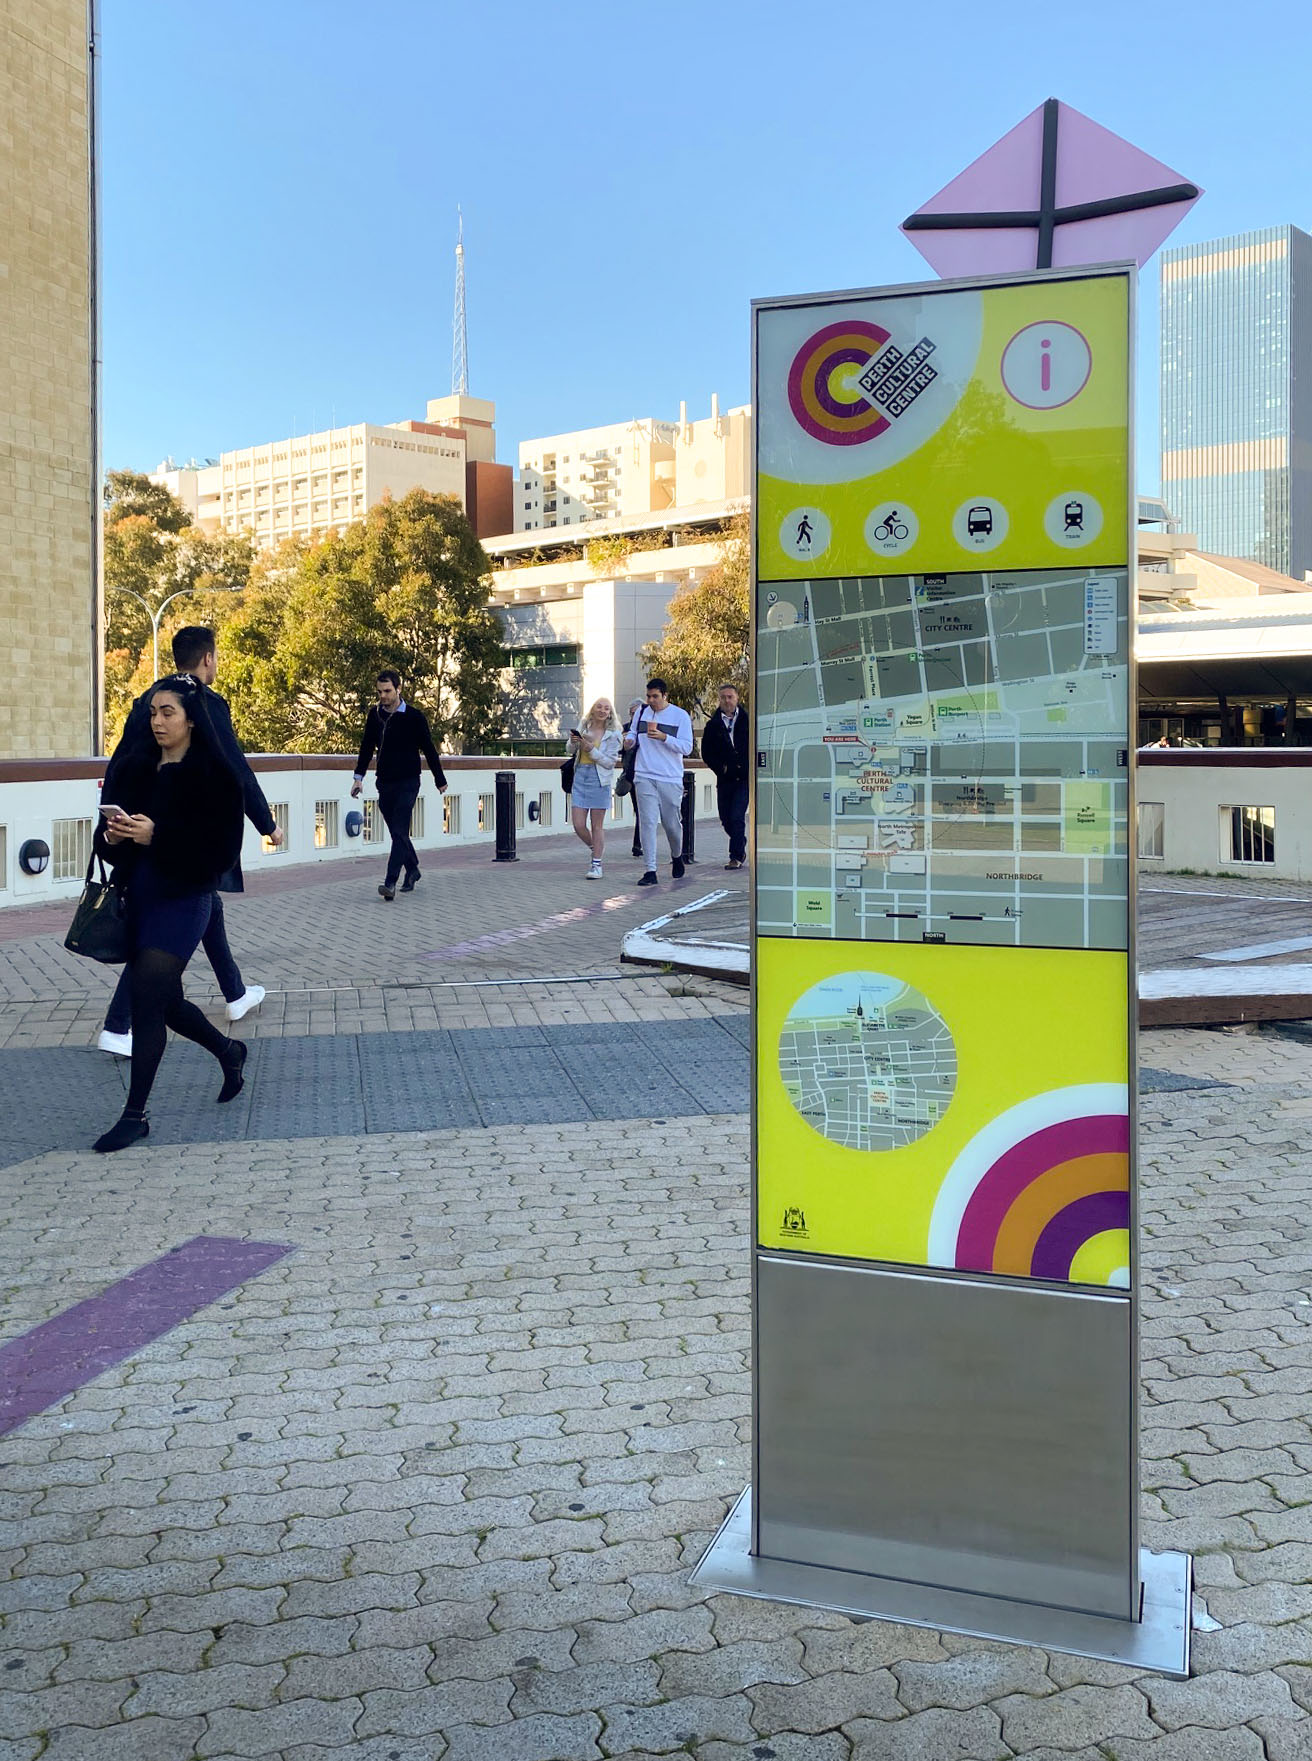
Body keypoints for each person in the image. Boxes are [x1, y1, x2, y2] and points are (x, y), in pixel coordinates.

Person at [97, 626, 281, 1057]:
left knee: (205, 907)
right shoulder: (199, 705)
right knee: (160, 937)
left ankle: (235, 994)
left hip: (139, 826)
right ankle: (118, 1024)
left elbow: (121, 760)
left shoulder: (149, 700)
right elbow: (234, 767)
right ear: (208, 660)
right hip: (177, 835)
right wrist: (267, 823)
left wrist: (112, 820)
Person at [92, 676, 249, 1154]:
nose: (157, 721)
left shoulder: (215, 776)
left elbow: (218, 855)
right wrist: (114, 838)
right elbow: (109, 847)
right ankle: (229, 1051)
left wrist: (157, 835)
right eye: (153, 713)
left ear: (191, 720)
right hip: (140, 897)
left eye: (168, 713)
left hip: (187, 900)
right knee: (166, 1003)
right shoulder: (138, 768)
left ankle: (135, 1115)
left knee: (146, 999)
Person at [351, 669, 447, 900]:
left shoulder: (414, 717)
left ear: (398, 689)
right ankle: (412, 868)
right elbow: (366, 747)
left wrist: (439, 779)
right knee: (398, 833)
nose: (383, 696)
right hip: (384, 782)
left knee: (400, 829)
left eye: (387, 691)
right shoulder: (374, 716)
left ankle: (390, 882)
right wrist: (358, 778)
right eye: (379, 691)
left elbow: (429, 749)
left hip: (409, 781)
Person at [624, 677, 693, 887]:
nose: (651, 700)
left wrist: (665, 737)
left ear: (665, 696)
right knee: (647, 821)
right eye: (649, 696)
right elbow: (634, 734)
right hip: (644, 775)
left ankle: (676, 855)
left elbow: (687, 747)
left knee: (672, 824)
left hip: (670, 777)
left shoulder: (680, 716)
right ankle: (650, 870)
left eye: (655, 696)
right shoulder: (642, 713)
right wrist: (628, 740)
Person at [567, 698, 622, 878]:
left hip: (599, 780)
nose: (602, 710)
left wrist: (591, 749)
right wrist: (574, 741)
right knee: (578, 824)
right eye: (599, 706)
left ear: (610, 713)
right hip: (581, 777)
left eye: (606, 708)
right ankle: (595, 847)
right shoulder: (584, 726)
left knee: (596, 825)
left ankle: (596, 865)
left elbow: (609, 763)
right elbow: (569, 750)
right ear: (593, 709)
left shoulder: (613, 734)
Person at [699, 682, 750, 870]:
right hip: (725, 779)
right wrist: (723, 769)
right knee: (726, 819)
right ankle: (740, 841)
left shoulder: (749, 720)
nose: (727, 700)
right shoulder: (713, 726)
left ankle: (735, 856)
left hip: (744, 779)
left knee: (737, 817)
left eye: (730, 697)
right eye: (723, 697)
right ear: (719, 700)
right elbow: (707, 753)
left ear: (737, 698)